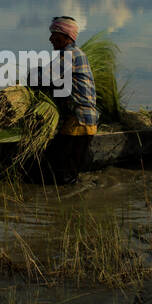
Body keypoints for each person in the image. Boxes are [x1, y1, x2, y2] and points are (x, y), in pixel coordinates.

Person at [37, 16, 98, 185]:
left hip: (79, 121)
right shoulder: (72, 54)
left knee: (62, 170)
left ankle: (70, 204)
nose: (50, 39)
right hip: (80, 120)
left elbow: (42, 77)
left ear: (66, 37)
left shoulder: (69, 55)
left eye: (54, 35)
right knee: (63, 167)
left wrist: (28, 77)